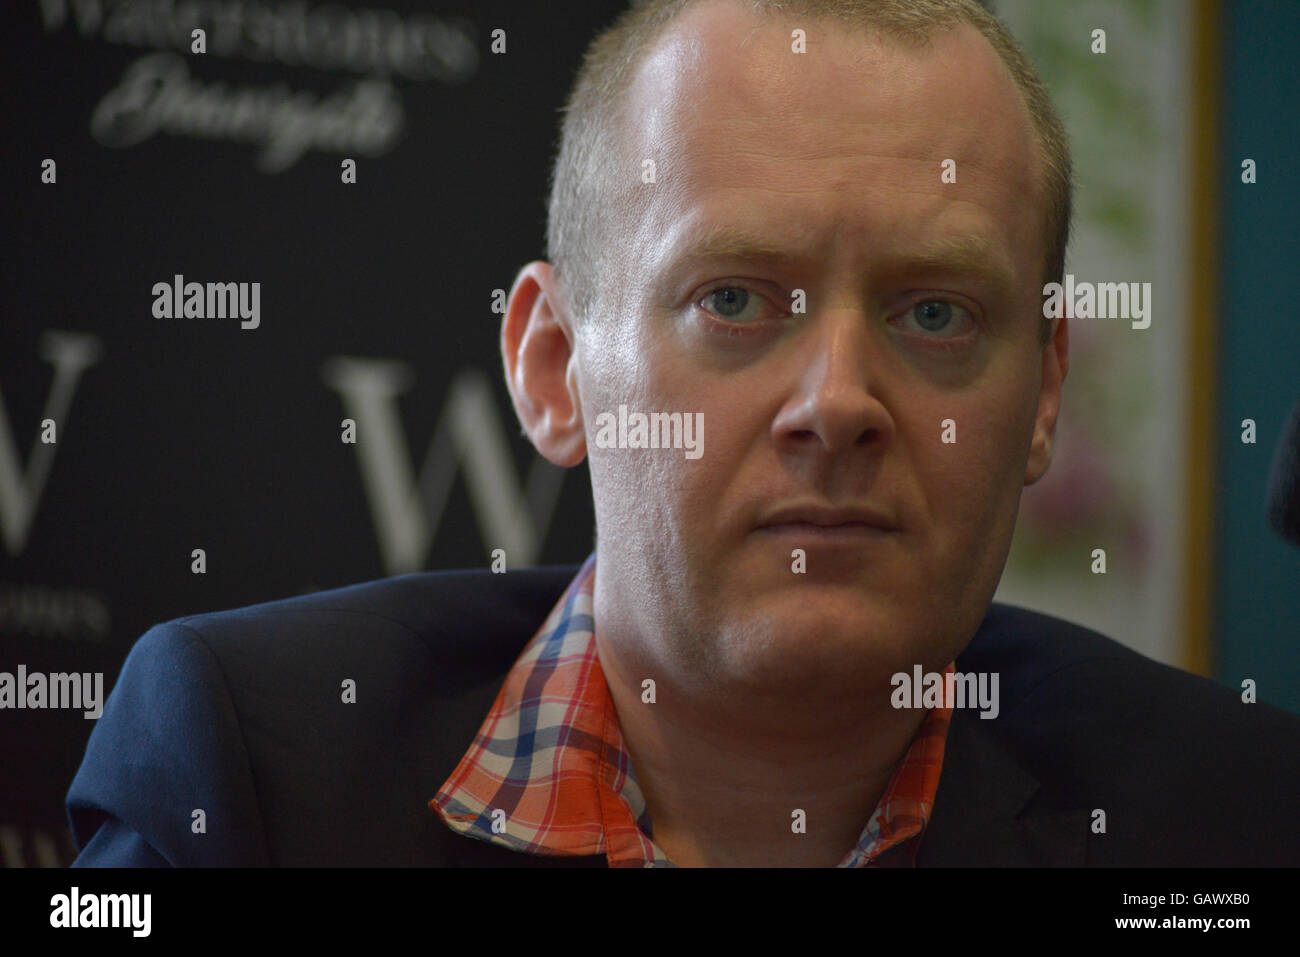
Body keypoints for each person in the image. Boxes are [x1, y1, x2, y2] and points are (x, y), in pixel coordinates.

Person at [66, 0, 1300, 867]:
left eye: (936, 312)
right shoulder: (241, 774)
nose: (836, 405)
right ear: (554, 368)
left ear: (1040, 396)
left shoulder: (1234, 818)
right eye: (733, 300)